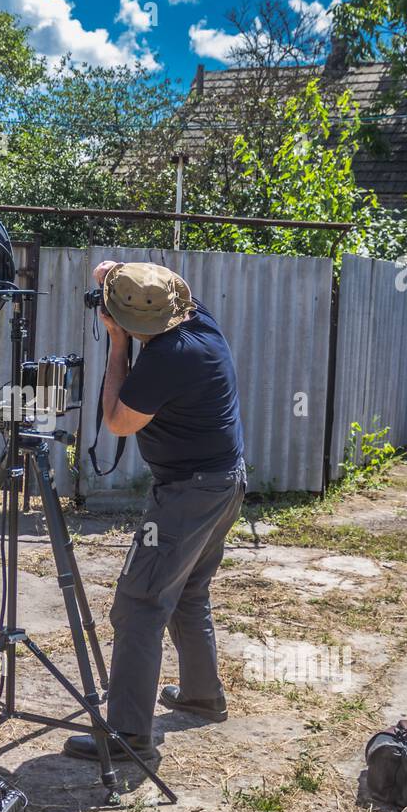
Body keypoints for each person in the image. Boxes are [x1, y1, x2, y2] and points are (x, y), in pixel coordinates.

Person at [64, 260, 247, 762]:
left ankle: (128, 734)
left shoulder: (168, 356)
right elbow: (142, 279)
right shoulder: (196, 318)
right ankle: (201, 695)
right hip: (224, 483)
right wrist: (112, 274)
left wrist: (118, 343)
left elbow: (118, 422)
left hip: (189, 494)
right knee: (188, 591)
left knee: (140, 603)